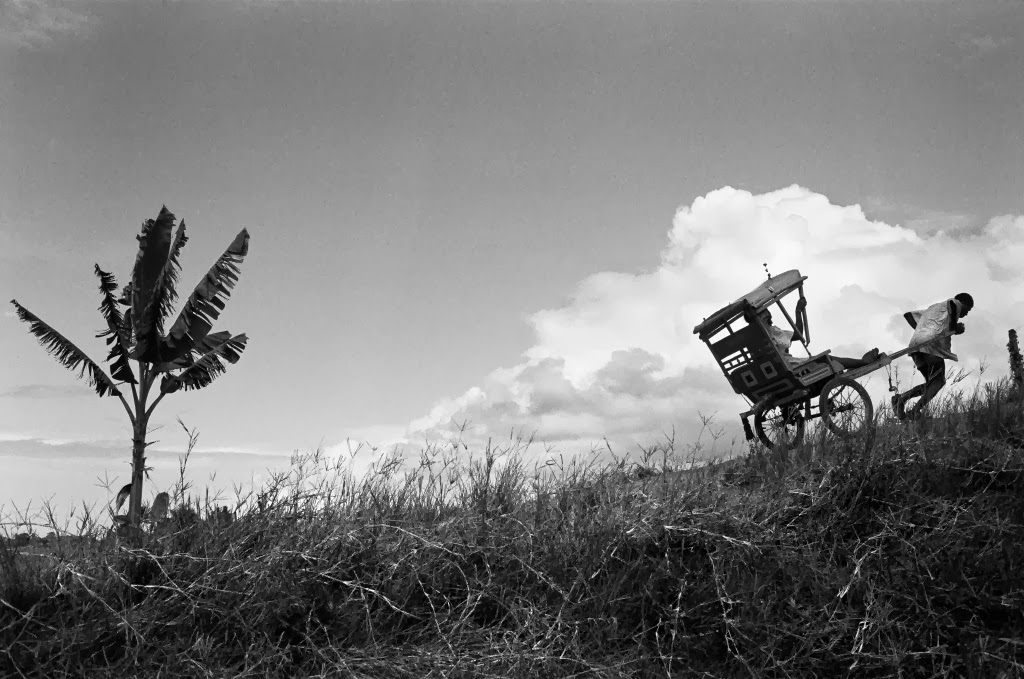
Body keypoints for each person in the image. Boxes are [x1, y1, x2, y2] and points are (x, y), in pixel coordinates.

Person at [895, 292, 974, 420]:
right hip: (931, 347)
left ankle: (901, 399)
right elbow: (953, 304)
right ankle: (915, 411)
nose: (966, 314)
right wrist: (954, 328)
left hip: (916, 346)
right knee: (939, 381)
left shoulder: (934, 310)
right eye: (968, 309)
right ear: (963, 303)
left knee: (932, 384)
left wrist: (922, 332)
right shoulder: (955, 303)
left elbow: (909, 316)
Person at [759, 297, 882, 370]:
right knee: (827, 359)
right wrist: (798, 311)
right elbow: (798, 335)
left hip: (771, 371)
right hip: (789, 367)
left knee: (823, 359)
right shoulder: (771, 331)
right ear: (765, 315)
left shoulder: (754, 336)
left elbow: (795, 336)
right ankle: (863, 363)